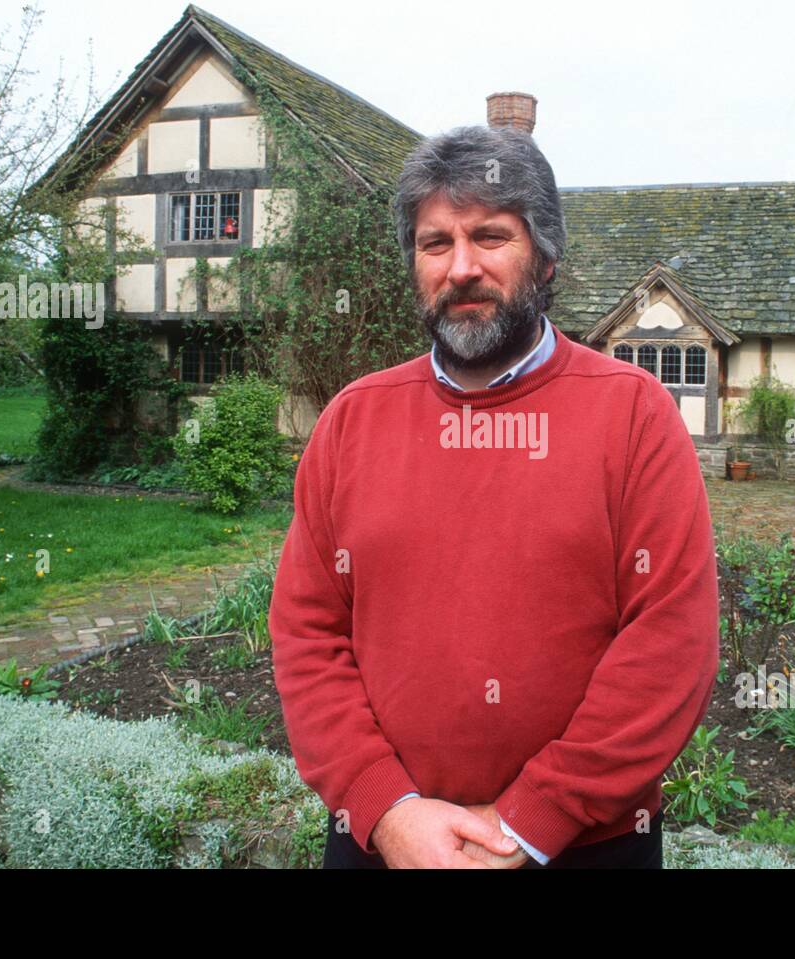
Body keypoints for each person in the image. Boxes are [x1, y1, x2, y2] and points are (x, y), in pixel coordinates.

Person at [268, 124, 718, 869]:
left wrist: (532, 819)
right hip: (385, 845)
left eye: (490, 236)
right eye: (435, 243)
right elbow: (307, 633)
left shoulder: (634, 415)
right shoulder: (352, 421)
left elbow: (672, 645)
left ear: (545, 257)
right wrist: (385, 809)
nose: (462, 267)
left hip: (586, 848)